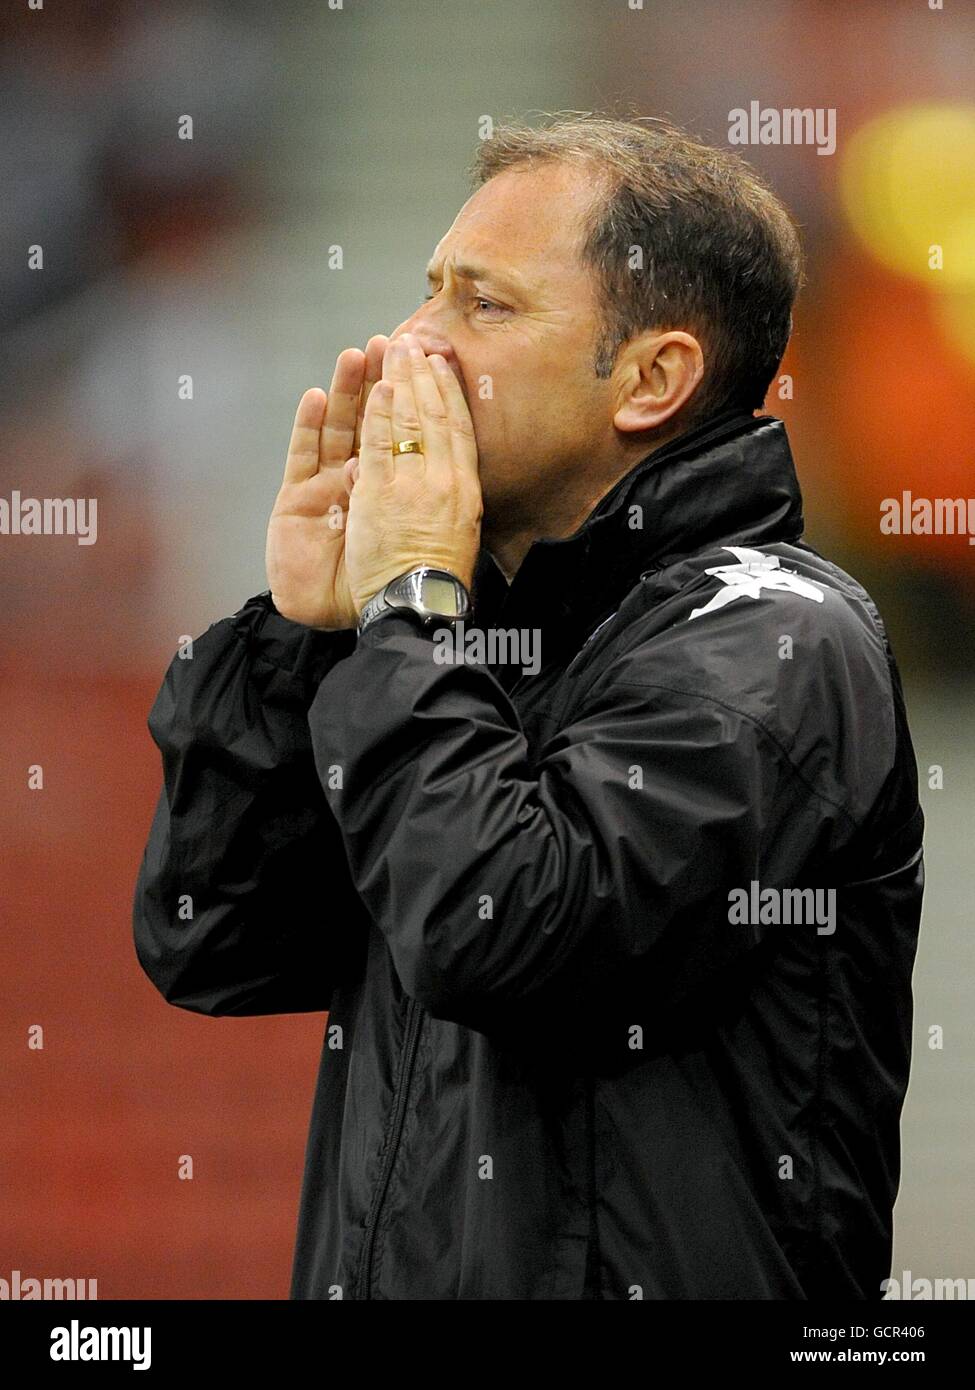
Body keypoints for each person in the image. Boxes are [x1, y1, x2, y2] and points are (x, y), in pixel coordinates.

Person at [133, 114, 924, 1300]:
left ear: (652, 378)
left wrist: (406, 605)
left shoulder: (777, 637)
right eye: (430, 292)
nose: (412, 343)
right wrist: (311, 636)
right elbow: (214, 937)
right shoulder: (465, 627)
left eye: (484, 306)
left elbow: (497, 930)